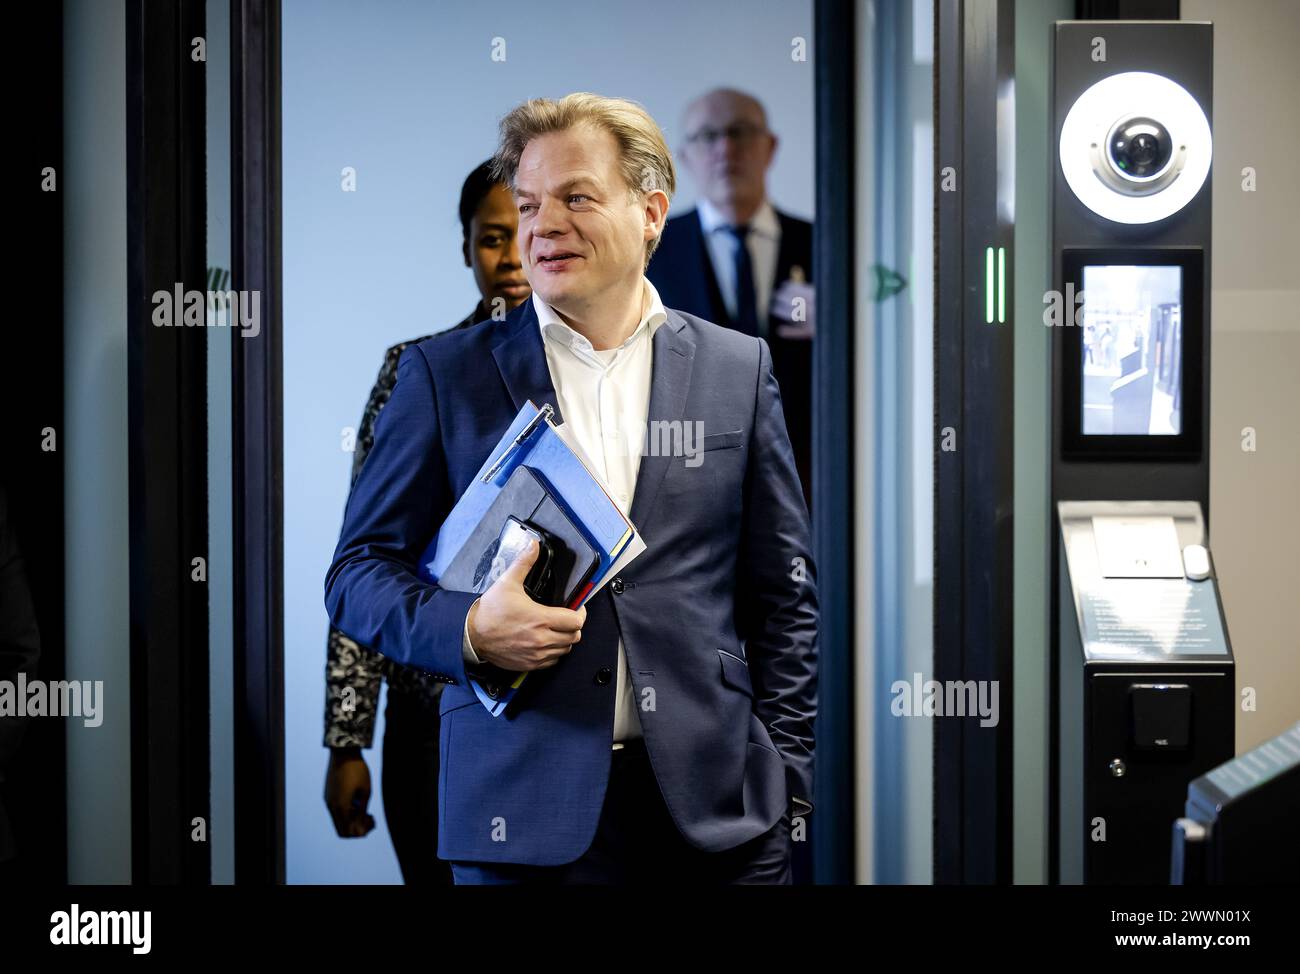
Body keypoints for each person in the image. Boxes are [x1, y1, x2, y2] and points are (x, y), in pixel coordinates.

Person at [325, 92, 818, 885]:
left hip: (718, 826)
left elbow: (786, 598)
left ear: (651, 212)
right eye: (528, 204)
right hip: (520, 824)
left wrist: (786, 780)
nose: (541, 225)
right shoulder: (442, 376)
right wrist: (471, 631)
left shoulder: (738, 368)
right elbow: (355, 579)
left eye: (575, 197)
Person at [322, 160, 528, 884]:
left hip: (558, 715)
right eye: (491, 239)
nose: (511, 259)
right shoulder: (418, 370)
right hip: (432, 710)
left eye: (524, 234)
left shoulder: (603, 370)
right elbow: (367, 559)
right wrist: (347, 741)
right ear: (466, 248)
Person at [647, 88, 814, 505]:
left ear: (770, 147)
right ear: (684, 157)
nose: (725, 148)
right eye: (707, 136)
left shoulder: (826, 247)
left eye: (740, 132)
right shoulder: (649, 252)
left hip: (809, 471)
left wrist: (838, 324)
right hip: (688, 481)